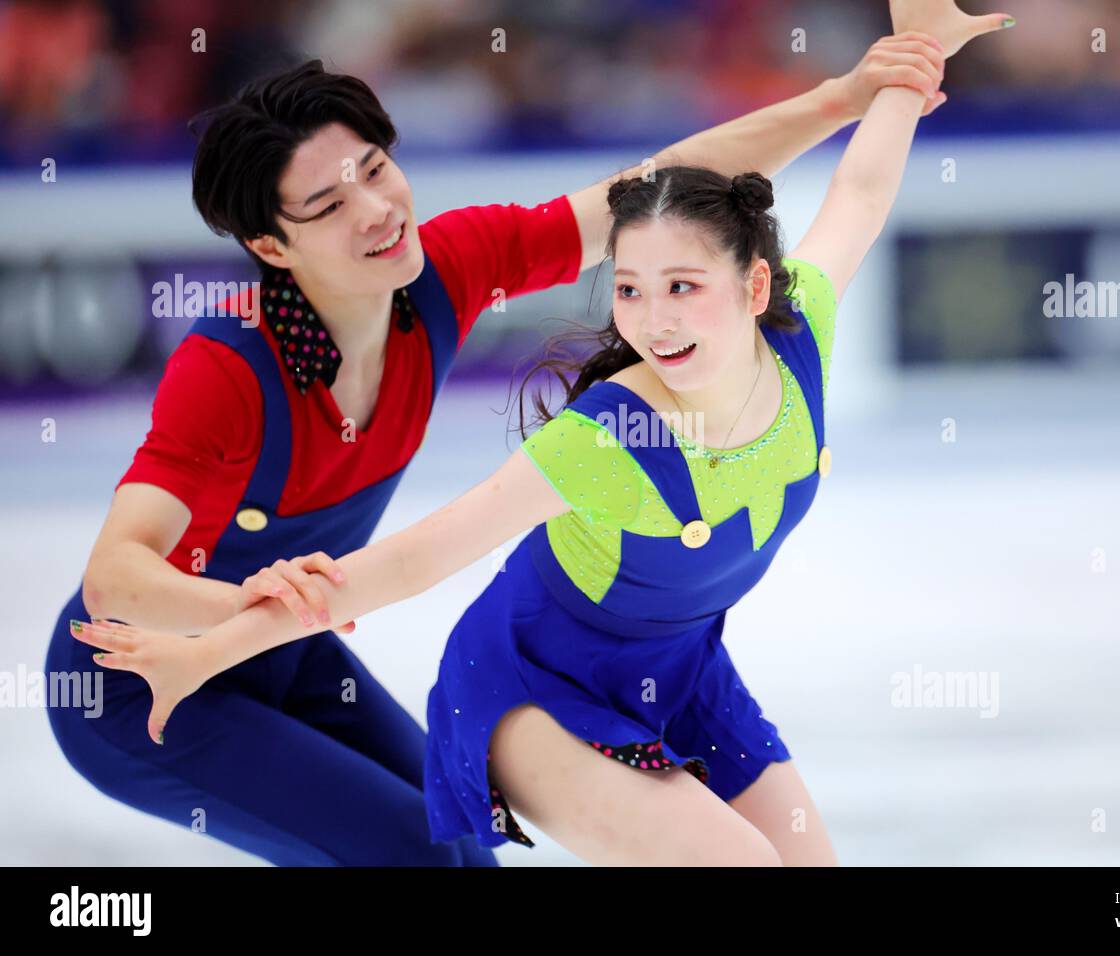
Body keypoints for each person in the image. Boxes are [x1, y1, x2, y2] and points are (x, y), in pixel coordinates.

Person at [73, 4, 1016, 864]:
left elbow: (651, 197)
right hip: (141, 676)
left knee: (456, 858)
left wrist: (849, 94)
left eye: (375, 169)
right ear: (271, 248)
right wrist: (224, 629)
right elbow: (116, 579)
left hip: (291, 645)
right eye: (327, 205)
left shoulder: (439, 271)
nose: (377, 210)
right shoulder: (227, 369)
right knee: (416, 856)